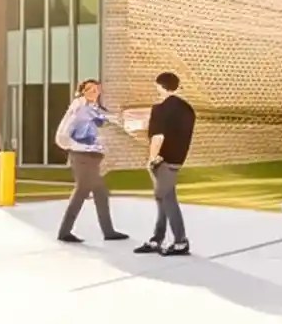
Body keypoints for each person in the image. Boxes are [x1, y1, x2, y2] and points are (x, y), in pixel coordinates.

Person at [53, 79, 129, 243]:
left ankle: (106, 231)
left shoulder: (93, 109)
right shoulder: (78, 108)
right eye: (90, 89)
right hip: (82, 158)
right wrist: (77, 146)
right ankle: (66, 232)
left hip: (92, 159)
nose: (94, 92)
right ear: (82, 92)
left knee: (95, 193)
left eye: (97, 89)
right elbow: (63, 134)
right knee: (86, 191)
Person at [134, 72, 196, 257]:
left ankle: (180, 242)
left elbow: (158, 136)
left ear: (160, 86)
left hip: (163, 161)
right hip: (178, 159)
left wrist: (152, 158)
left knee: (167, 201)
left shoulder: (160, 109)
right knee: (162, 199)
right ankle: (157, 239)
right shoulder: (188, 109)